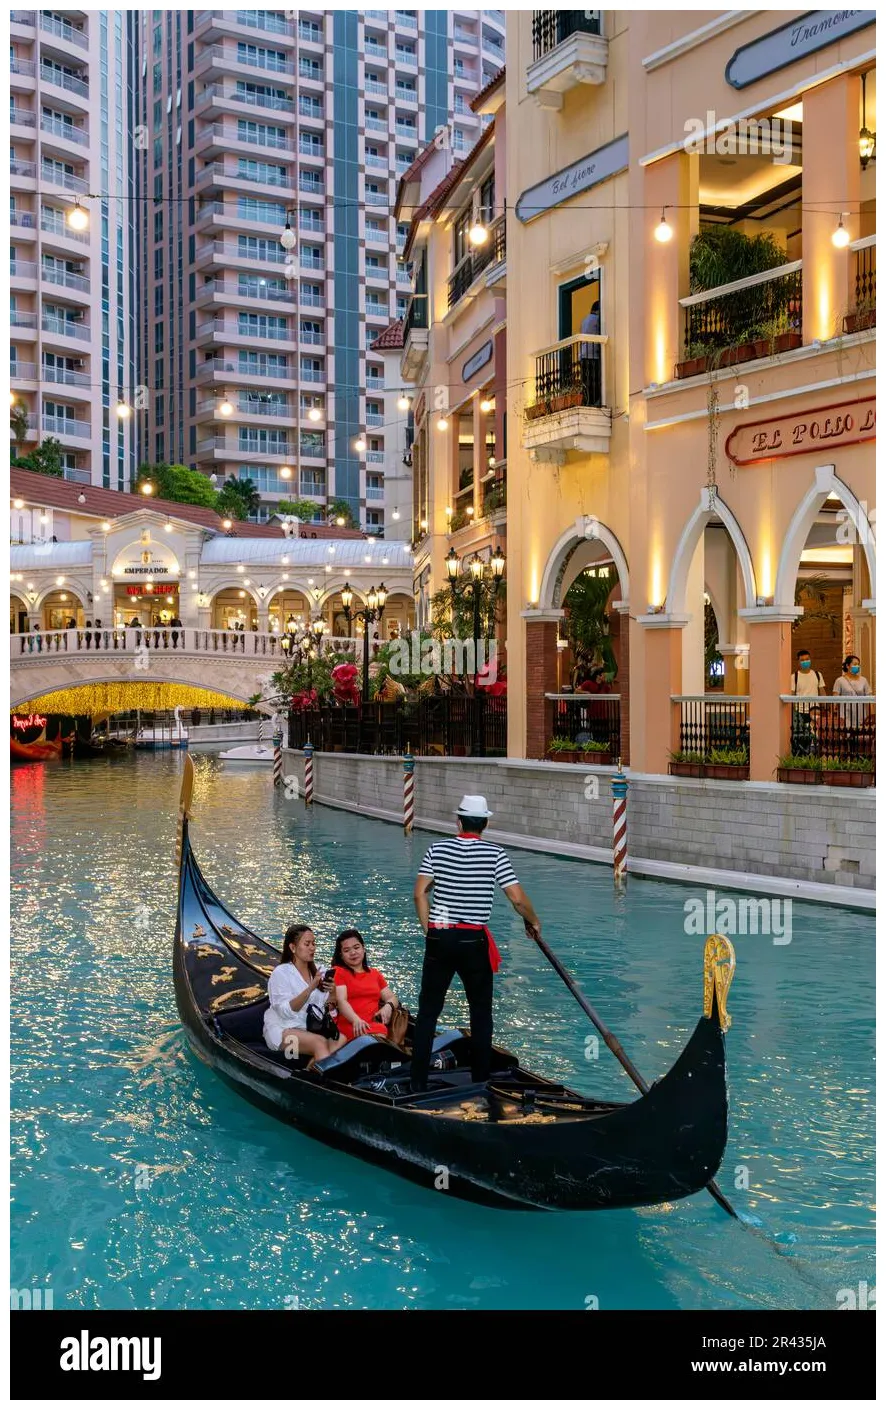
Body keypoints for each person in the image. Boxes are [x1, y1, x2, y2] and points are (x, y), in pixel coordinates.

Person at [411, 794, 542, 1092]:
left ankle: (417, 1083)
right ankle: (481, 1082)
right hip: (473, 940)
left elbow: (419, 894)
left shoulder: (437, 849)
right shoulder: (495, 854)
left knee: (429, 1010)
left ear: (458, 822)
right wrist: (533, 921)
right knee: (480, 1012)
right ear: (484, 824)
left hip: (440, 937)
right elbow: (517, 900)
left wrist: (430, 930)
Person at [263, 924, 342, 1062]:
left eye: (313, 943)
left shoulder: (319, 970)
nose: (312, 948)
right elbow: (284, 1012)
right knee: (319, 1043)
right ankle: (322, 1082)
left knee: (341, 1042)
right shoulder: (280, 973)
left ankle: (311, 1070)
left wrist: (333, 994)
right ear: (293, 947)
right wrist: (310, 988)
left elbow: (325, 1010)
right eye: (307, 944)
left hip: (311, 1029)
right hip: (283, 1031)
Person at [330, 929, 401, 1042]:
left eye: (356, 947)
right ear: (341, 955)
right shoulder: (338, 972)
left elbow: (392, 997)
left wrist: (388, 1007)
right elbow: (341, 1000)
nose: (353, 953)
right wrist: (356, 1020)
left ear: (364, 948)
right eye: (347, 950)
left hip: (373, 1026)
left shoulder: (375, 974)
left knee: (379, 1031)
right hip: (351, 1025)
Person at [789, 649, 827, 754]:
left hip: (815, 711)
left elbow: (822, 691)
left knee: (816, 736)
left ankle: (815, 755)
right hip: (800, 712)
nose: (805, 662)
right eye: (802, 660)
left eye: (807, 659)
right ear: (798, 662)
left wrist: (825, 707)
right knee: (802, 737)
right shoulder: (794, 677)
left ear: (810, 660)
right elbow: (792, 694)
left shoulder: (817, 675)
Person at [579, 300, 601, 405]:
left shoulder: (584, 320)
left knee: (586, 381)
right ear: (598, 310)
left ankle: (586, 401)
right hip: (592, 354)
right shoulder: (597, 319)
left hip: (583, 353)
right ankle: (594, 401)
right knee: (594, 380)